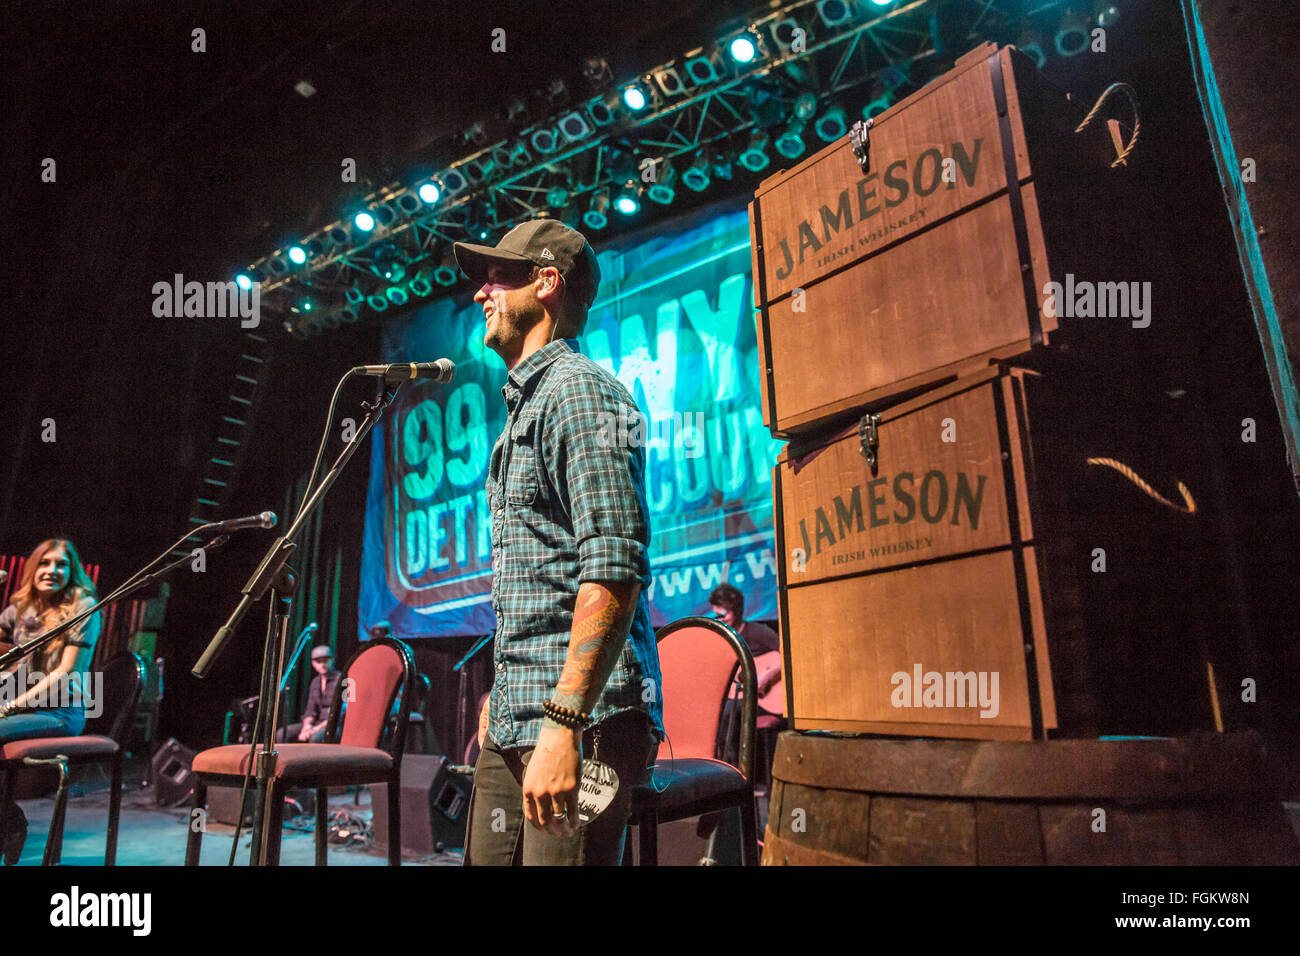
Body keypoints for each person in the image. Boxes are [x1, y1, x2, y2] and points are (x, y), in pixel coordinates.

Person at [454, 218, 664, 866]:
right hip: (525, 714)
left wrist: (564, 723)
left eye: (497, 277)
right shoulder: (528, 408)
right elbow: (540, 582)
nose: (479, 293)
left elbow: (614, 569)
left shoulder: (581, 394)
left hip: (583, 721)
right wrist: (509, 691)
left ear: (547, 283)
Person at [0, 539, 102, 865]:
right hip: (18, 705)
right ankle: (8, 820)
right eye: (44, 563)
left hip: (60, 711)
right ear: (33, 568)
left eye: (61, 564)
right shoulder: (21, 608)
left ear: (72, 572)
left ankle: (10, 820)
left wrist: (8, 707)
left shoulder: (82, 607)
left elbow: (66, 672)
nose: (52, 570)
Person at [276, 645, 339, 743]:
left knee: (315, 738)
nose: (322, 664)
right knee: (282, 733)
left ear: (333, 660)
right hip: (317, 724)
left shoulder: (343, 680)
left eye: (325, 660)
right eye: (318, 661)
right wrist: (307, 727)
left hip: (334, 726)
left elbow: (341, 713)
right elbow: (310, 710)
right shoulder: (315, 682)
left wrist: (314, 730)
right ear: (313, 663)